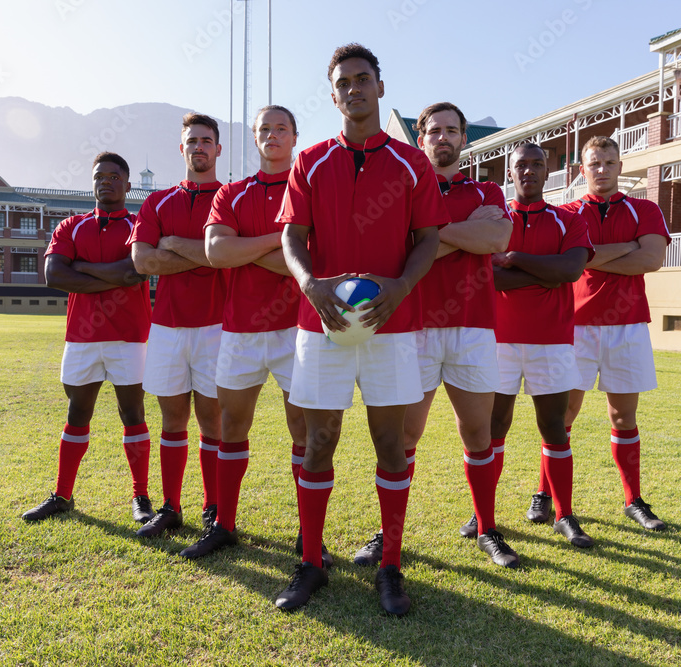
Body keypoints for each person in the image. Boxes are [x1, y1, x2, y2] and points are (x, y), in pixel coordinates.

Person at [274, 43, 446, 616]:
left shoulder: (411, 163)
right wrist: (309, 284)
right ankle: (312, 564)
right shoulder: (311, 160)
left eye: (363, 79)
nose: (354, 88)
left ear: (379, 86)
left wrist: (398, 288)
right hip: (320, 322)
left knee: (391, 445)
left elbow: (428, 241)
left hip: (391, 324)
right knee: (318, 441)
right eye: (343, 82)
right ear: (333, 94)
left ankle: (391, 566)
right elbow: (292, 237)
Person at [350, 101, 517, 568]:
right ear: (419, 139)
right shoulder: (405, 190)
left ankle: (487, 528)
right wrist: (460, 235)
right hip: (414, 328)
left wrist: (430, 240)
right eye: (433, 131)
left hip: (473, 328)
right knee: (404, 435)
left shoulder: (487, 190)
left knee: (478, 432)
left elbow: (497, 240)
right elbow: (402, 252)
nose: (442, 138)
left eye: (451, 130)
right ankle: (388, 535)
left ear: (464, 138)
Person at [179, 105, 331, 566]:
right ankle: (224, 524)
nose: (272, 135)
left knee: (302, 429)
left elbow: (317, 260)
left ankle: (310, 536)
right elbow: (217, 252)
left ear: (294, 135)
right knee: (231, 427)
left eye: (281, 128)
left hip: (298, 327)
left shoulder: (311, 190)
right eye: (264, 129)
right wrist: (282, 241)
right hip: (240, 329)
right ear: (254, 137)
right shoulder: (232, 191)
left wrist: (250, 247)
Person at [22, 152, 153, 524]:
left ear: (128, 185)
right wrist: (110, 275)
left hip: (130, 336)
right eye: (100, 176)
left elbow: (135, 272)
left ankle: (140, 497)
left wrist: (81, 267)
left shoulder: (139, 225)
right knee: (77, 412)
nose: (106, 181)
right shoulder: (71, 226)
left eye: (115, 176)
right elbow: (54, 275)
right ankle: (62, 495)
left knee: (133, 414)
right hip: (81, 338)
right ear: (92, 182)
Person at [560, 135, 670, 531]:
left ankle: (633, 499)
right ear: (582, 170)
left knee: (624, 416)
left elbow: (652, 259)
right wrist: (626, 248)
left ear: (620, 166)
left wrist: (592, 254)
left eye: (609, 162)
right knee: (562, 416)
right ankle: (548, 496)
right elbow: (570, 263)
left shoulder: (645, 209)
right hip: (575, 327)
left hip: (627, 327)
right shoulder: (567, 213)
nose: (602, 169)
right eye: (594, 164)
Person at [489, 143, 594, 548]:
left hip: (551, 340)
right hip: (499, 340)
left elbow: (570, 269)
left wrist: (515, 257)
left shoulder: (568, 217)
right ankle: (485, 514)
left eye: (537, 164)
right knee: (493, 428)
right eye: (521, 165)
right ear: (509, 173)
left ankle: (565, 515)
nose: (529, 171)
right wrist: (543, 271)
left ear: (548, 170)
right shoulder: (495, 221)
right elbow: (490, 280)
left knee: (553, 427)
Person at [130, 114, 225, 538]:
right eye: (192, 141)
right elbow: (143, 262)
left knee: (213, 421)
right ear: (181, 148)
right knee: (172, 421)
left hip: (219, 326)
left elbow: (230, 256)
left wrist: (176, 246)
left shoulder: (232, 197)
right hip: (167, 326)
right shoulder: (158, 202)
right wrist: (208, 254)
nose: (199, 147)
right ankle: (170, 507)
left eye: (207, 140)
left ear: (218, 149)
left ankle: (214, 507)